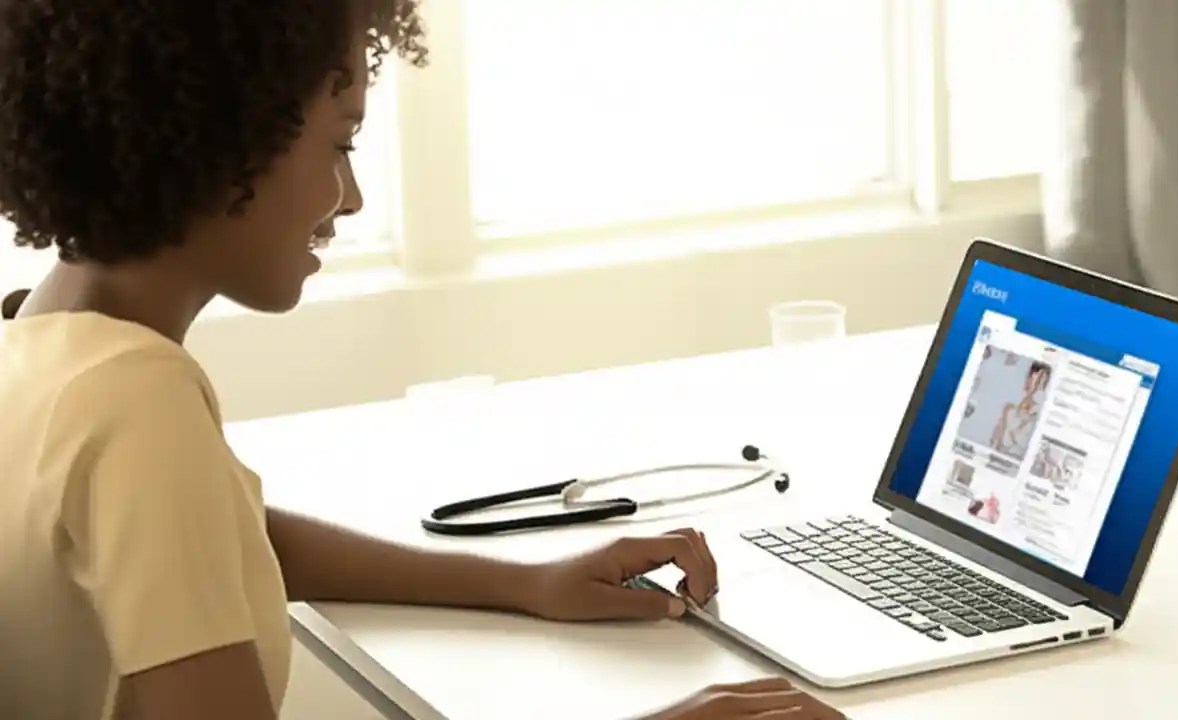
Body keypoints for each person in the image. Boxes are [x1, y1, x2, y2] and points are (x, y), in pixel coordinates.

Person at [0, 2, 843, 719]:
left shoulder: (42, 338)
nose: (352, 197)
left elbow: (224, 540)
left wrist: (526, 581)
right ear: (225, 139)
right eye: (341, 143)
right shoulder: (136, 399)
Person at [990, 361, 1051, 459]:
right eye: (1035, 376)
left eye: (1041, 379)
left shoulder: (1039, 402)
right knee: (1008, 410)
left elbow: (1020, 435)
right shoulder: (1019, 397)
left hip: (1015, 449)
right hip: (1002, 447)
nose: (1035, 380)